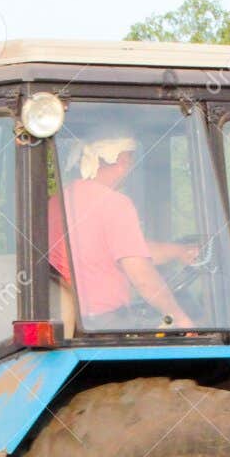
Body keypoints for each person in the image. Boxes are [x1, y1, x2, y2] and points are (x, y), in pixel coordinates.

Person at [47, 135, 199, 327]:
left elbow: (132, 250)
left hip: (67, 319)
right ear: (123, 161)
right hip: (103, 324)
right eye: (131, 161)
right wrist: (180, 317)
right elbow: (141, 274)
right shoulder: (114, 203)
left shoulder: (57, 200)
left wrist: (179, 251)